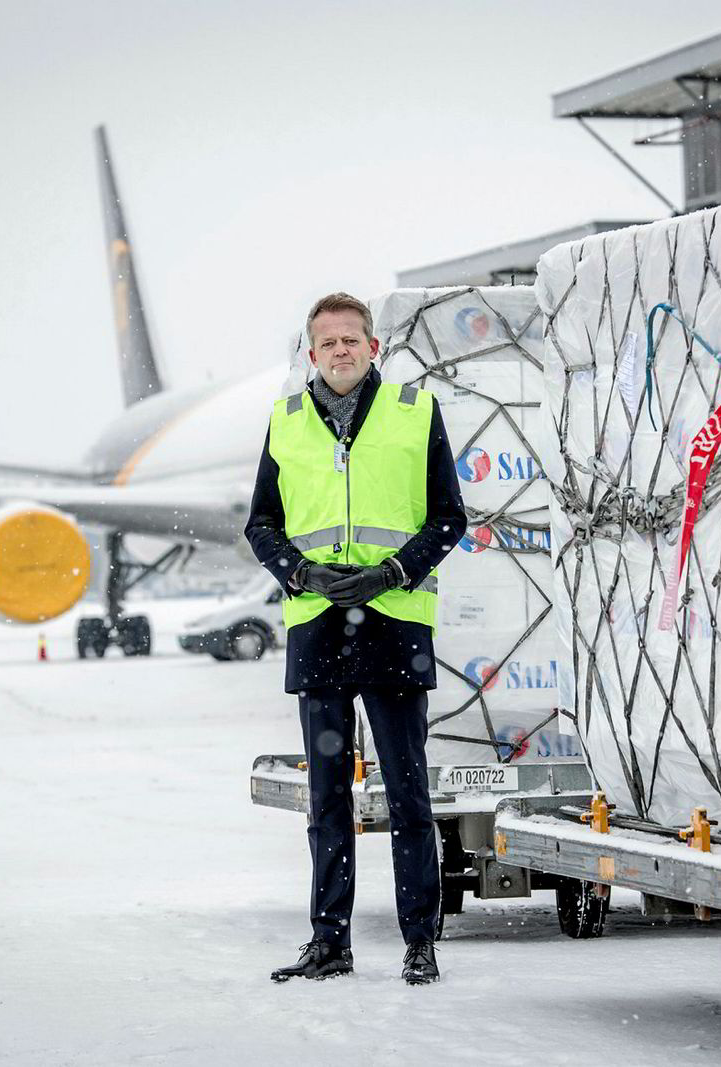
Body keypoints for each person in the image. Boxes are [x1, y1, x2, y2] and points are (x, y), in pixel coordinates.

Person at [245, 292, 467, 985]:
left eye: (352, 339)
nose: (341, 351)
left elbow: (449, 517)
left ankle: (418, 941)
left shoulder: (414, 412)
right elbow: (262, 524)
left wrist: (393, 571)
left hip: (392, 623)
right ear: (311, 355)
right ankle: (329, 941)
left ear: (374, 346)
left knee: (407, 796)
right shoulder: (285, 423)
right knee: (329, 798)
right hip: (318, 627)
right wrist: (300, 569)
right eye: (328, 342)